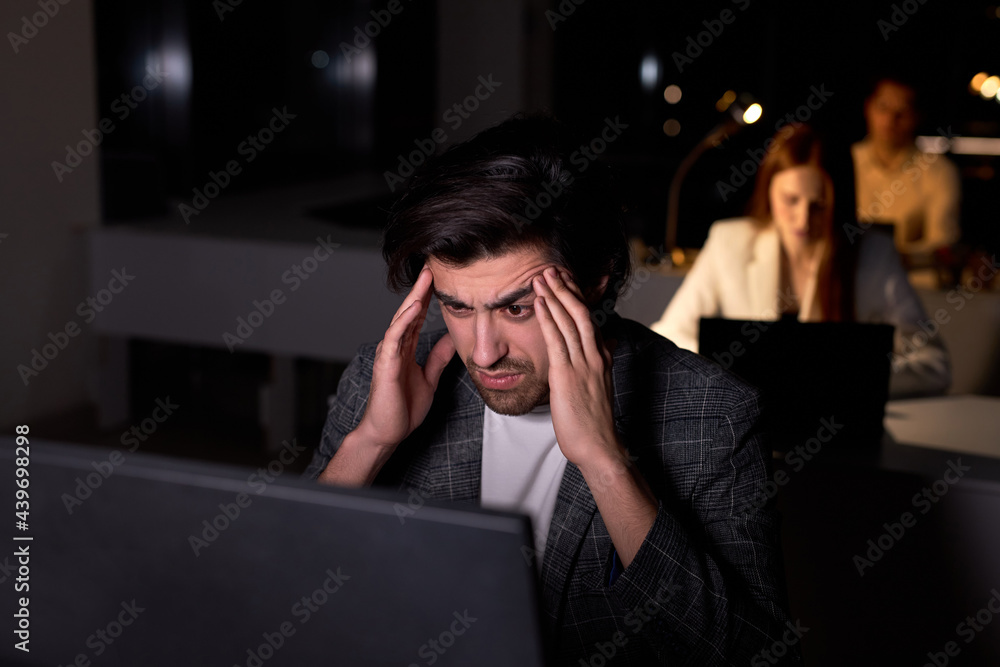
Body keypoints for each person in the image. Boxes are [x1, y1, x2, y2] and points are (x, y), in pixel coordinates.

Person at [304, 115, 800, 665]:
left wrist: (606, 463)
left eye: (516, 308)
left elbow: (755, 655)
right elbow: (280, 590)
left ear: (595, 281)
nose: (483, 351)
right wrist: (370, 443)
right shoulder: (387, 380)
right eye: (457, 307)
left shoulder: (714, 415)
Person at [651, 124, 951, 398]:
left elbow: (933, 365)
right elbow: (668, 336)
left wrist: (853, 379)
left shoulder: (874, 253)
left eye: (819, 205)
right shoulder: (730, 241)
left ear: (841, 204)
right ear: (768, 192)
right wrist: (728, 370)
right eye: (790, 200)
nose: (803, 220)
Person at [852, 77, 961, 261]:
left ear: (917, 116)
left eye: (902, 111)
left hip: (911, 283)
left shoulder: (939, 171)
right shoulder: (844, 162)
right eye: (883, 107)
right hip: (847, 279)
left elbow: (943, 242)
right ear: (867, 108)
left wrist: (897, 258)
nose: (890, 119)